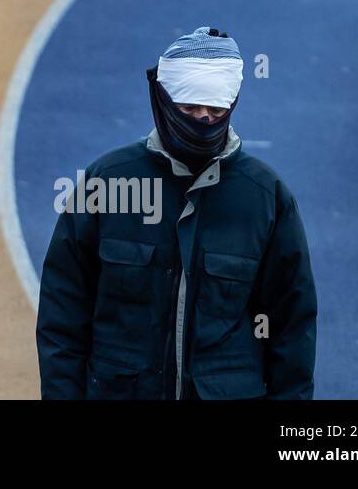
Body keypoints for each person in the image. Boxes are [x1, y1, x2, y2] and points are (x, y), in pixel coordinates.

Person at [35, 27, 317, 399]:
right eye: (189, 108)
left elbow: (292, 326)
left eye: (215, 110)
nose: (203, 120)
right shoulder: (107, 183)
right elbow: (63, 316)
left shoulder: (265, 197)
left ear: (232, 105)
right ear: (163, 100)